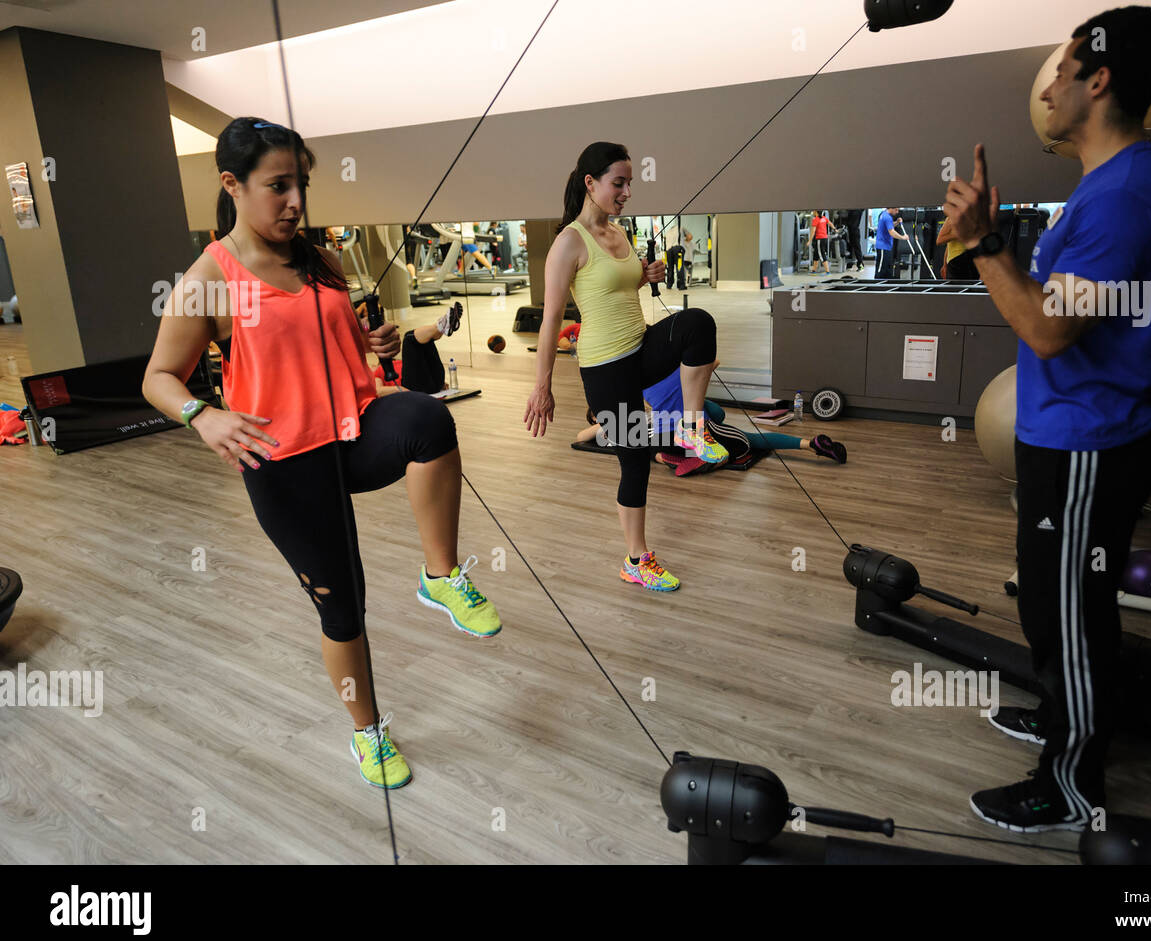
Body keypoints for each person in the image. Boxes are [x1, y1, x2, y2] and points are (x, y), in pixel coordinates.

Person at [141, 118, 501, 792]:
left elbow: (330, 342)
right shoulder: (207, 278)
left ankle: (440, 575)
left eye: (300, 185)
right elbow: (157, 376)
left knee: (426, 419)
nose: (295, 201)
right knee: (344, 607)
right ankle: (368, 734)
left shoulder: (320, 261)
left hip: (354, 430)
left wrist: (372, 344)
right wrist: (203, 414)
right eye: (277, 186)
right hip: (284, 462)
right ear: (232, 184)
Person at [939, 7, 1151, 832]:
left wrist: (983, 247)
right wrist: (989, 247)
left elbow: (1047, 327)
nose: (1046, 87)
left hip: (1089, 444)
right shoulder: (1110, 182)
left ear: (1100, 77)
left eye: (1060, 68)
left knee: (1070, 614)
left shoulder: (1123, 197)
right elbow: (1051, 307)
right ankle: (1063, 711)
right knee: (1055, 605)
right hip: (1070, 438)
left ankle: (1073, 781)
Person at [523, 141, 729, 592]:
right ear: (590, 183)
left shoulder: (618, 233)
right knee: (634, 462)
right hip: (605, 370)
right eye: (619, 183)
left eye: (629, 183)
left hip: (639, 348)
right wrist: (542, 386)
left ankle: (693, 426)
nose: (627, 192)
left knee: (697, 324)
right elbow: (552, 319)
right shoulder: (567, 244)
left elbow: (621, 284)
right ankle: (636, 560)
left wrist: (646, 274)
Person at [573, 361, 848, 468]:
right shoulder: (614, 426)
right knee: (745, 438)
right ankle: (808, 444)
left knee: (736, 435)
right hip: (685, 423)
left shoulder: (630, 416)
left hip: (678, 426)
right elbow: (581, 435)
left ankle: (691, 455)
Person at [874, 207, 906, 279]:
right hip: (883, 247)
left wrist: (897, 222)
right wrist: (903, 237)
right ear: (891, 208)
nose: (897, 212)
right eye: (896, 210)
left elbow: (889, 226)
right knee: (881, 270)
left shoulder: (884, 214)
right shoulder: (887, 217)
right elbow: (891, 232)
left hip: (887, 247)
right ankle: (877, 286)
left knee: (887, 270)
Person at [663, 216, 693, 290]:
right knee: (679, 266)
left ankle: (669, 284)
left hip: (668, 251)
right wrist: (684, 240)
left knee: (670, 268)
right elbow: (690, 237)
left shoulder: (667, 231)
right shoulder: (681, 227)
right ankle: (681, 285)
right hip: (677, 249)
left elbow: (665, 241)